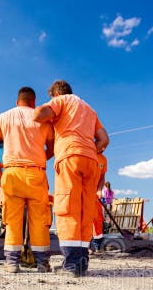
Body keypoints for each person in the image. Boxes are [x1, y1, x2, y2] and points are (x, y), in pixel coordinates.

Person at [34, 79, 109, 276]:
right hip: (91, 161)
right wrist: (91, 149)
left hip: (69, 156)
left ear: (56, 94)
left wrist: (48, 115)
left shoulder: (62, 100)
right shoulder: (89, 109)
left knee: (67, 207)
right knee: (85, 210)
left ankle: (70, 265)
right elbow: (104, 139)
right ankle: (82, 264)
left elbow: (39, 114)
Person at [0, 86, 54, 273]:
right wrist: (39, 158)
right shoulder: (43, 119)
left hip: (12, 173)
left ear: (17, 101)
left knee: (13, 218)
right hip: (36, 174)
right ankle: (42, 263)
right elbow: (52, 148)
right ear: (34, 102)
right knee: (40, 219)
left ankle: (12, 263)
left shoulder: (3, 117)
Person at [90, 153, 108, 253]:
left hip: (96, 197)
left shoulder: (103, 159)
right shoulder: (87, 154)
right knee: (86, 219)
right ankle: (86, 246)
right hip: (84, 193)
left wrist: (99, 189)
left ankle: (97, 246)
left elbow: (102, 177)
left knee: (98, 219)